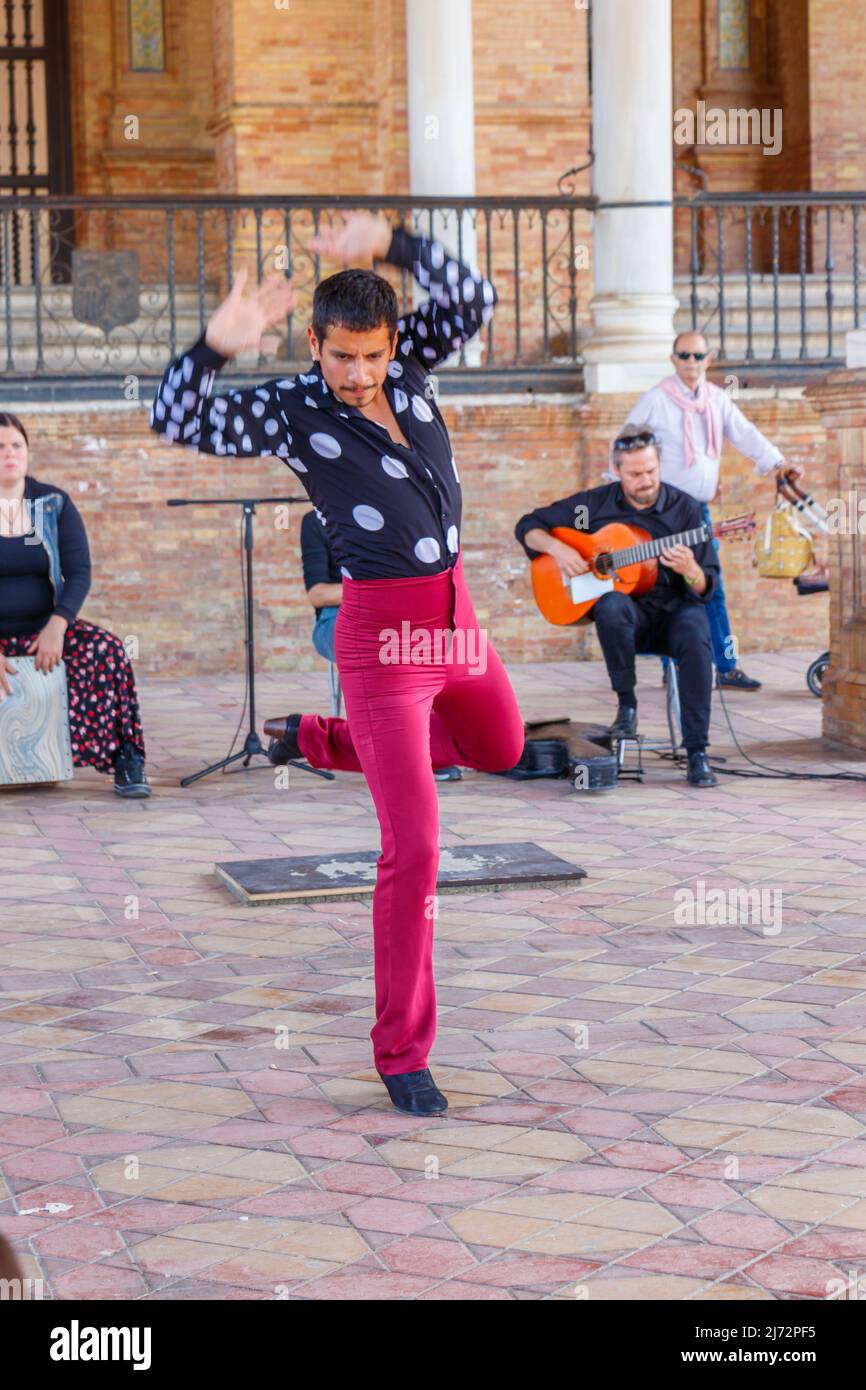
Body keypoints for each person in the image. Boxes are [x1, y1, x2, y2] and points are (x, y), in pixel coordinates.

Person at [149, 210, 525, 1116]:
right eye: (340, 355)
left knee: (504, 748)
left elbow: (474, 293)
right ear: (314, 342)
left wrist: (390, 238)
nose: (357, 375)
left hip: (454, 618)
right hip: (381, 644)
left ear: (394, 344)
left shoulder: (415, 368)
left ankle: (321, 739)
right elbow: (175, 417)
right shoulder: (291, 408)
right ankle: (402, 1053)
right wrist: (213, 344)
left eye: (371, 356)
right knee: (417, 848)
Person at [515, 426, 720, 788]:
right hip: (626, 622)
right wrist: (558, 549)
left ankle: (697, 752)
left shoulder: (686, 510)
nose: (645, 480)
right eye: (635, 474)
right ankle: (627, 707)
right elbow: (528, 525)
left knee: (697, 629)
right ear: (617, 472)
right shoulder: (594, 506)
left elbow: (707, 587)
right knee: (611, 603)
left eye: (652, 471)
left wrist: (691, 570)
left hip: (674, 614)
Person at [620, 330, 803, 691]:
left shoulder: (717, 400)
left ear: (709, 359)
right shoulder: (655, 399)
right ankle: (672, 666)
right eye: (684, 356)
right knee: (667, 590)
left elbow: (745, 434)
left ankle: (728, 665)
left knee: (711, 588)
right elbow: (625, 443)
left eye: (698, 356)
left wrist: (778, 463)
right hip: (660, 511)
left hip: (698, 511)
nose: (692, 363)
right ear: (673, 359)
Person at [0, 412, 149, 797]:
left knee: (108, 650)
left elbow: (79, 571)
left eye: (16, 445)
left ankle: (127, 761)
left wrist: (58, 625)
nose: (9, 453)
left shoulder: (52, 503)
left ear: (28, 452)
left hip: (43, 631)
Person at [299, 505, 462, 781]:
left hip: (391, 616)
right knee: (385, 651)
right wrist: (375, 592)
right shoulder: (315, 522)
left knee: (447, 644)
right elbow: (317, 594)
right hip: (335, 619)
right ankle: (390, 753)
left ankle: (432, 747)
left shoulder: (387, 513)